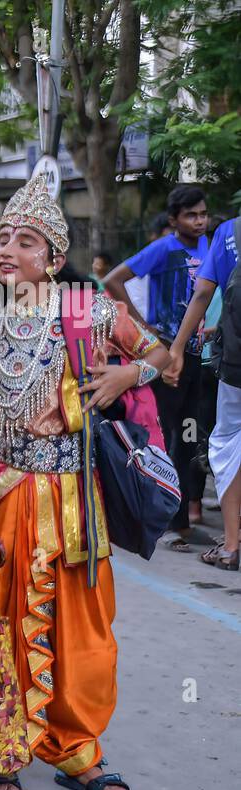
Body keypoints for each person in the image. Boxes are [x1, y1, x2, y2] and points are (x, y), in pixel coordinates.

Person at [0, 174, 168, 790]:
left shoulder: (89, 310)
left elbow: (166, 358)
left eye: (24, 241)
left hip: (74, 498)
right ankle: (2, 744)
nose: (6, 250)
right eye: (2, 238)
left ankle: (79, 750)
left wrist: (123, 377)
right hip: (5, 492)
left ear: (53, 260)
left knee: (81, 627)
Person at [103, 184, 210, 549]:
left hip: (198, 360)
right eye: (191, 215)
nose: (199, 221)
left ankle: (183, 515)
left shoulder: (211, 248)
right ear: (174, 220)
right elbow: (113, 280)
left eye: (203, 214)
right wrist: (142, 328)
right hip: (165, 360)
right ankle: (158, 515)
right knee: (162, 438)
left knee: (192, 436)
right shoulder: (164, 248)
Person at [168, 210, 240, 569]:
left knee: (228, 443)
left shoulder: (230, 235)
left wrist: (177, 347)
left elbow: (202, 296)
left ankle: (231, 544)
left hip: (235, 368)